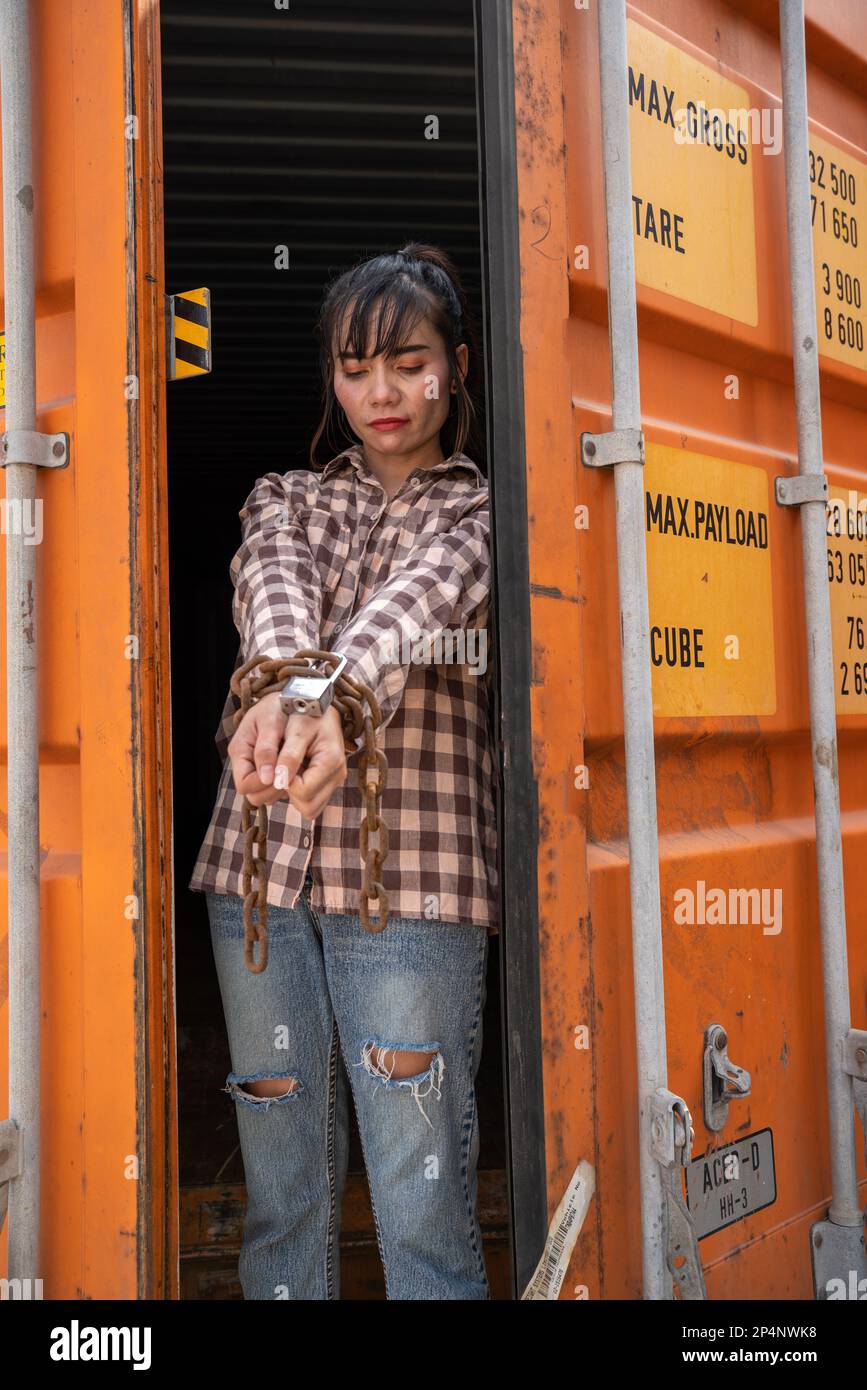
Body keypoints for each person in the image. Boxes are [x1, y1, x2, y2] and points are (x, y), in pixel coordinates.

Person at [188, 243, 499, 1300]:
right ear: (330, 377)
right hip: (259, 878)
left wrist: (326, 702)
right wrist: (279, 692)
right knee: (284, 1198)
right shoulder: (284, 500)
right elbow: (271, 590)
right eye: (355, 367)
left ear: (454, 365)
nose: (382, 392)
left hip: (412, 884)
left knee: (420, 1208)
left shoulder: (483, 515)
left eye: (407, 363)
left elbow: (408, 611)